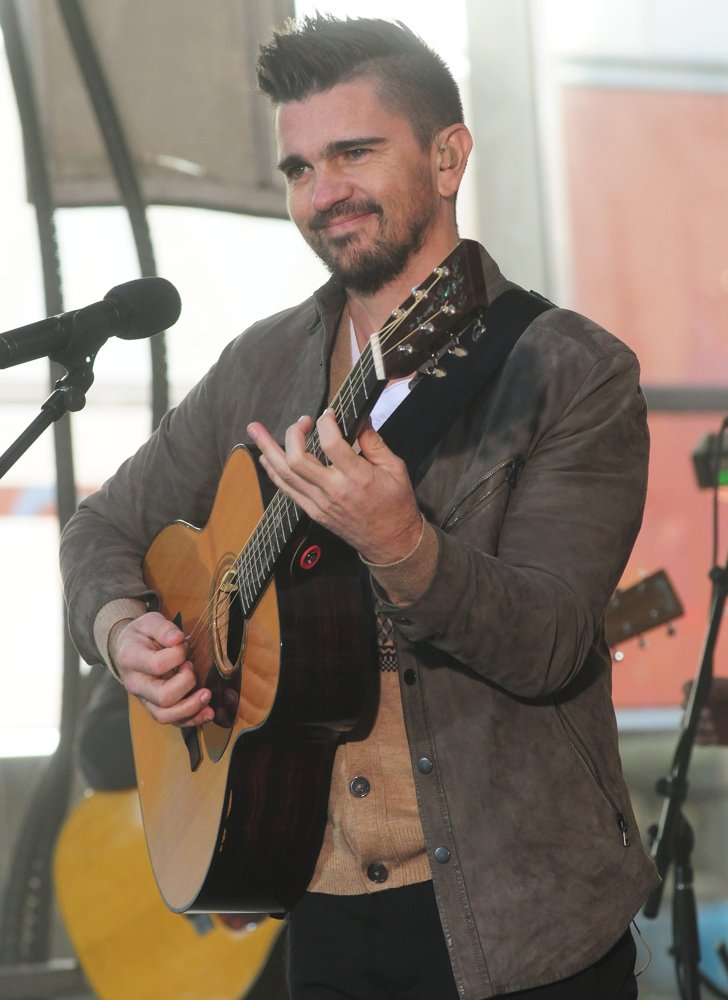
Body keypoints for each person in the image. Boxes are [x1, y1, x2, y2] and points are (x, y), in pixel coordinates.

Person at [60, 14, 660, 1000]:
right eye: (299, 168)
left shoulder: (572, 372)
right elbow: (101, 528)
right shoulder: (260, 363)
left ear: (446, 156)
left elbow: (550, 641)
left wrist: (402, 544)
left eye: (352, 152)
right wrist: (121, 627)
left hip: (520, 924)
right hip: (318, 904)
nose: (321, 191)